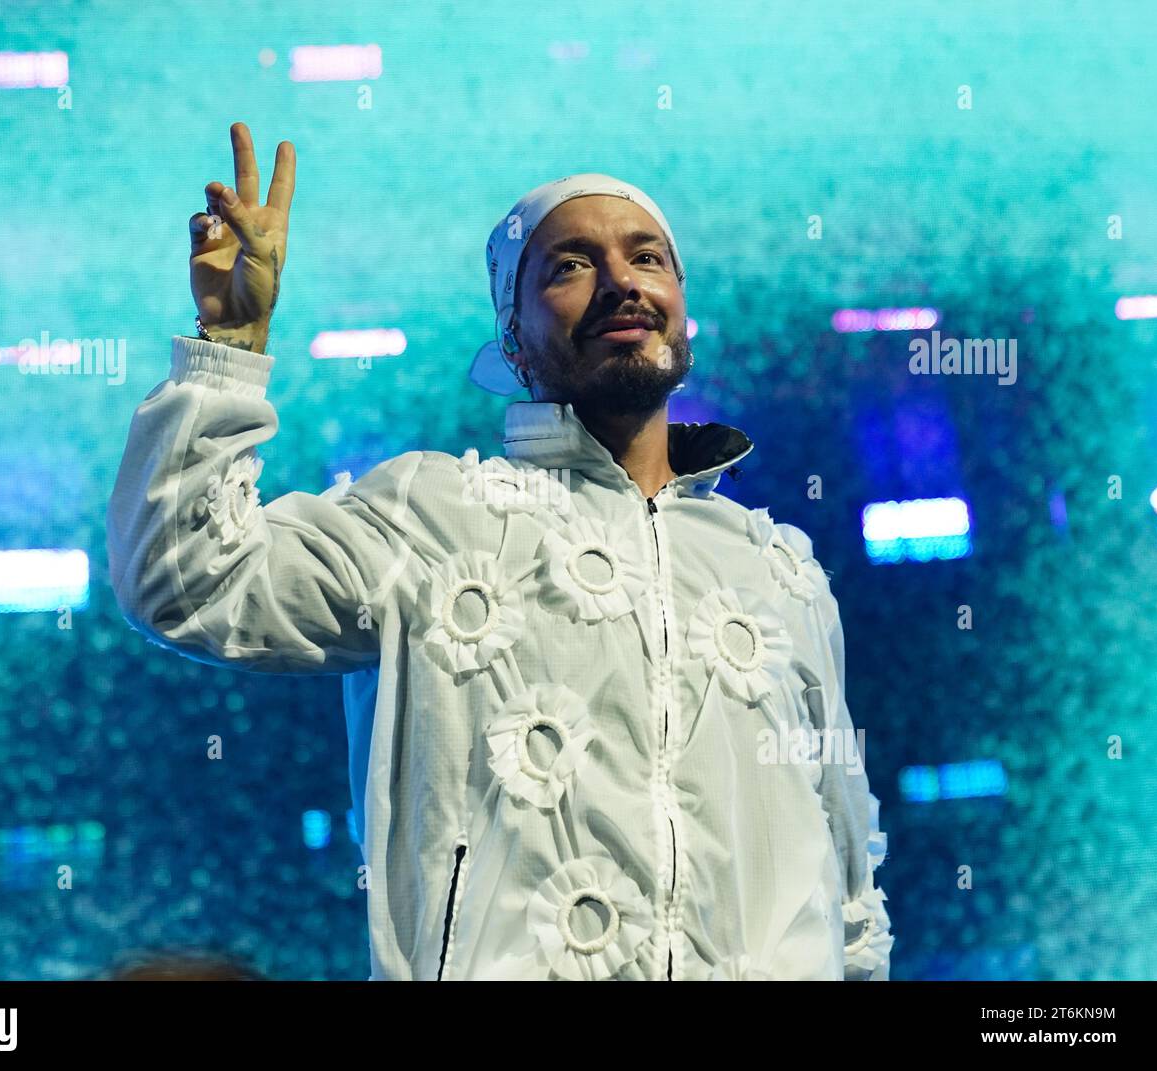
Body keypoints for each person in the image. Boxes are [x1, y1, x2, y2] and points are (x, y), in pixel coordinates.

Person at [107, 122, 894, 981]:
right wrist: (230, 345)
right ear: (511, 341)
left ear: (682, 309)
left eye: (648, 258)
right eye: (569, 265)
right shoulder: (433, 517)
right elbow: (185, 580)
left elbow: (850, 890)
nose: (620, 282)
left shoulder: (778, 568)